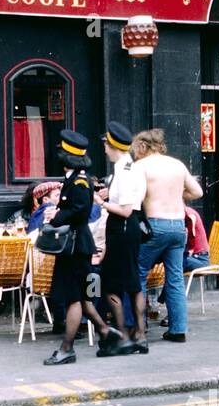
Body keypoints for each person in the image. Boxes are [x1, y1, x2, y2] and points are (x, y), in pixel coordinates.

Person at [43, 130, 123, 366]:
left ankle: (67, 349)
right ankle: (107, 333)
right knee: (84, 300)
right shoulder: (75, 179)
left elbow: (78, 211)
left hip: (75, 247)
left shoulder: (78, 181)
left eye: (61, 151)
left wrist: (56, 217)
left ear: (68, 156)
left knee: (73, 299)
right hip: (78, 246)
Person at [134, 127, 203, 343]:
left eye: (136, 149)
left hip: (155, 225)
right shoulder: (177, 165)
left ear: (143, 146)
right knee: (174, 279)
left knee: (139, 273)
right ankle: (178, 329)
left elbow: (135, 198)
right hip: (177, 226)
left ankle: (140, 326)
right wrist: (175, 193)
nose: (134, 154)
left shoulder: (141, 166)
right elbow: (198, 192)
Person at [96, 121, 148, 354]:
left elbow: (126, 210)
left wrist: (102, 203)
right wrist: (111, 194)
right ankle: (140, 335)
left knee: (111, 286)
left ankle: (124, 336)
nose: (104, 149)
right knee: (134, 283)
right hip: (130, 228)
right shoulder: (129, 168)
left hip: (123, 227)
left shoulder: (124, 172)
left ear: (114, 146)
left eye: (106, 144)